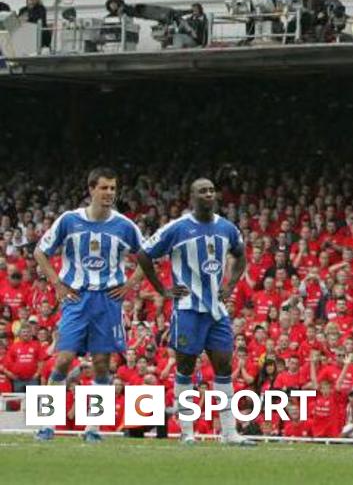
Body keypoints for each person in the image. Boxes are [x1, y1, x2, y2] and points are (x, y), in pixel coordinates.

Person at [136, 178, 251, 445]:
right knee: (185, 368)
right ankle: (187, 432)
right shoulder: (177, 228)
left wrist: (231, 285)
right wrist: (163, 289)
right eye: (203, 191)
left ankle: (229, 432)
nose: (209, 194)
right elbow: (144, 254)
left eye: (211, 190)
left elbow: (240, 254)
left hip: (217, 311)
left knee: (224, 365)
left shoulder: (226, 227)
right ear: (192, 197)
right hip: (188, 309)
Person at [33, 167, 144, 442]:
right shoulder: (69, 221)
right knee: (64, 359)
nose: (109, 193)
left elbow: (147, 256)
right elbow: (40, 251)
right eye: (104, 188)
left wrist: (130, 285)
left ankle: (93, 429)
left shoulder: (124, 225)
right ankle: (46, 424)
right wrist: (57, 283)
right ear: (91, 189)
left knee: (102, 363)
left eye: (113, 188)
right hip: (77, 298)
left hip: (108, 300)